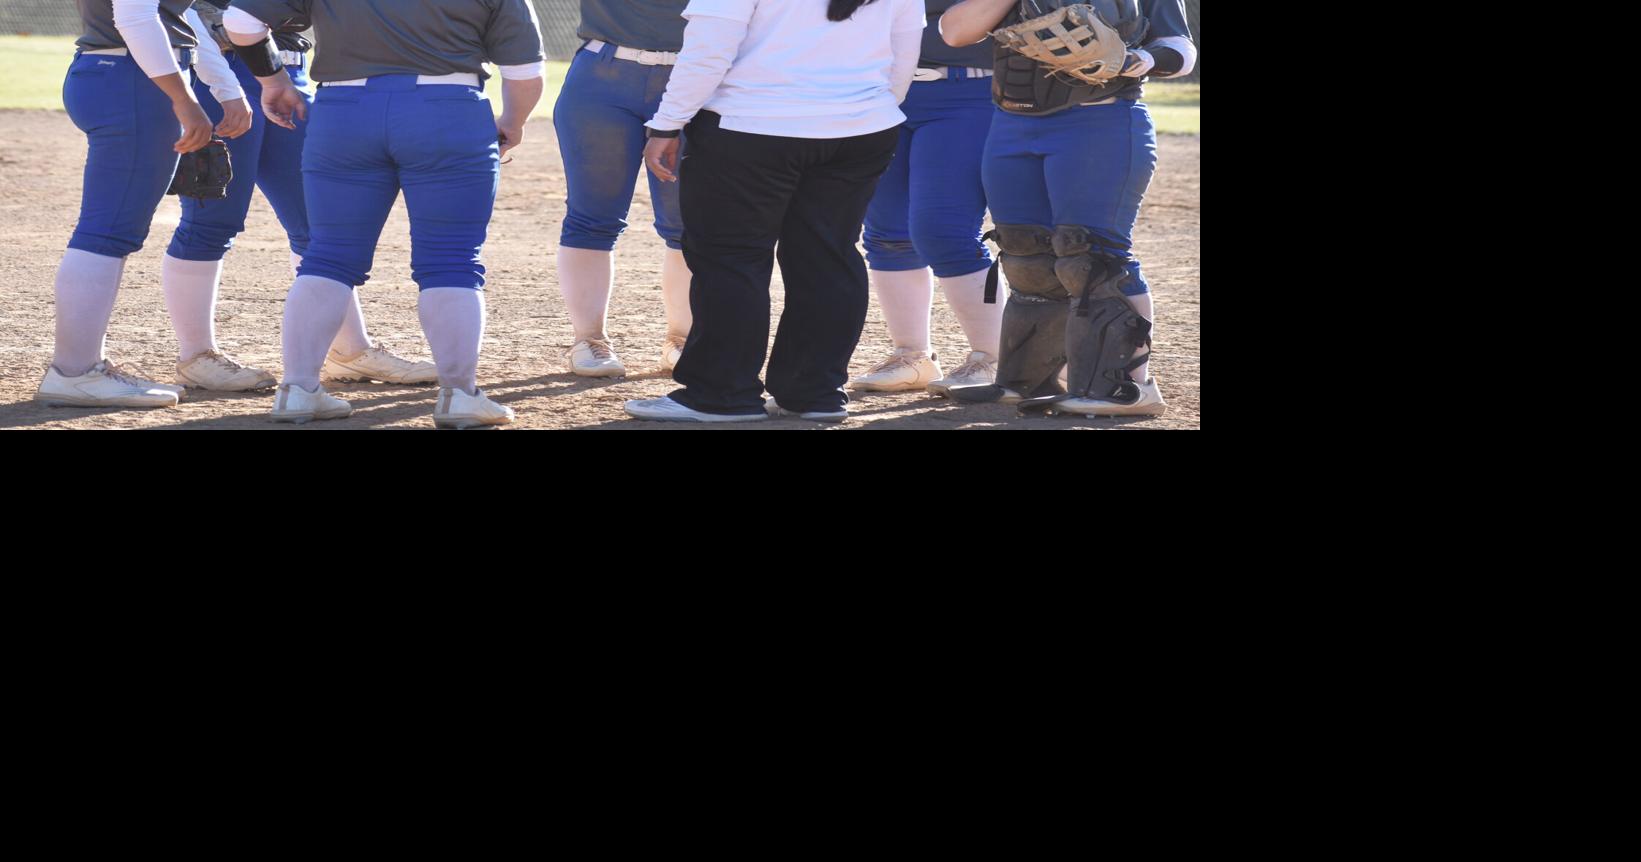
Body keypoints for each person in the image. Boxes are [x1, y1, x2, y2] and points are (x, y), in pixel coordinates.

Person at [222, 0, 545, 428]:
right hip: (447, 108)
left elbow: (239, 21)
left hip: (344, 111)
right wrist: (514, 122)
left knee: (327, 256)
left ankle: (297, 390)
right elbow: (525, 74)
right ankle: (459, 396)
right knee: (451, 260)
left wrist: (273, 79)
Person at [624, 0, 927, 423]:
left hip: (751, 127)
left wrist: (668, 123)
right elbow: (903, 54)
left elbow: (708, 52)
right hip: (861, 128)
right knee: (829, 256)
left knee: (730, 260)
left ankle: (720, 395)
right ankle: (815, 392)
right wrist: (861, 111)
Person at [164, 0, 438, 392]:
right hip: (216, 69)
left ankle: (350, 349)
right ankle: (196, 355)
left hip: (283, 68)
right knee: (212, 219)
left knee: (318, 222)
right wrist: (222, 84)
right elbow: (181, 9)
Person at [940, 0, 1195, 416]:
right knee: (1026, 252)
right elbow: (953, 32)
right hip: (1011, 122)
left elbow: (1182, 50)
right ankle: (1028, 380)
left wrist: (1137, 59)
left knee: (1093, 255)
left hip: (1100, 120)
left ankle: (1130, 389)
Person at [36, 0, 239, 408]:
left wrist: (220, 88)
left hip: (121, 72)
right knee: (108, 232)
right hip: (133, 77)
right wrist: (183, 99)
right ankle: (74, 371)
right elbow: (134, 17)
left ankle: (81, 367)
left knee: (110, 231)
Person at [849, 0, 1003, 397]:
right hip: (879, 87)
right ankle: (912, 355)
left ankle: (993, 358)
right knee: (885, 232)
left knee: (945, 230)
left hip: (966, 89)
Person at [554, 0, 695, 378]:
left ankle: (681, 339)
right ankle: (589, 340)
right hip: (603, 76)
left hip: (695, 75)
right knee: (591, 217)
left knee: (690, 223)